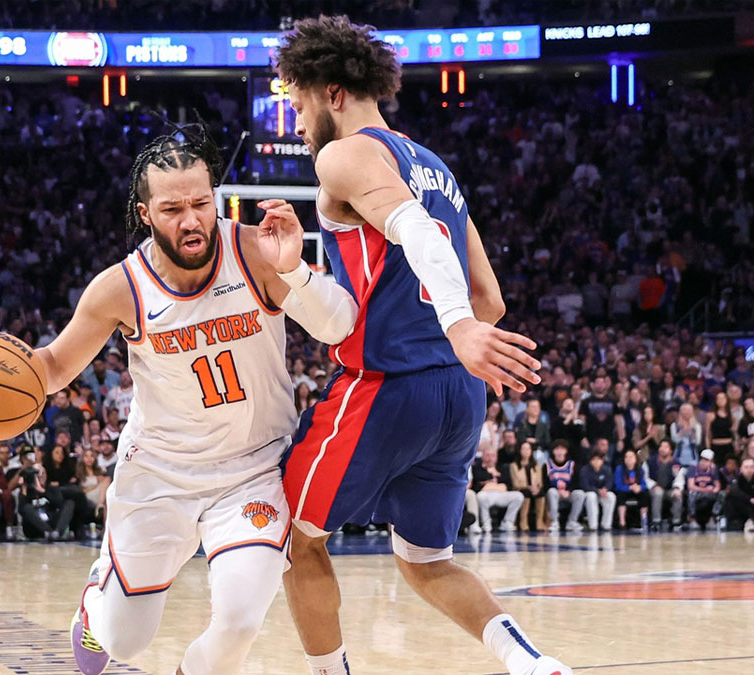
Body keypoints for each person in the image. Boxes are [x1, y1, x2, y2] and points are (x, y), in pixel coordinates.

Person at [0, 120, 359, 675]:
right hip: (160, 475)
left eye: (201, 203)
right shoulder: (121, 287)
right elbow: (54, 365)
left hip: (253, 472)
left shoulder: (255, 250)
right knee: (125, 640)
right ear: (145, 214)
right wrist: (10, 362)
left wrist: (296, 271)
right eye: (172, 209)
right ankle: (96, 607)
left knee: (238, 624)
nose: (191, 220)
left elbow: (339, 328)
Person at [276, 17, 563, 675]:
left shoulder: (342, 155)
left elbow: (420, 239)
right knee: (426, 560)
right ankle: (530, 661)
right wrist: (459, 328)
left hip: (388, 383)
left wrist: (455, 325)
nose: (296, 123)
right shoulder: (436, 166)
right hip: (458, 395)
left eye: (297, 105)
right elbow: (490, 295)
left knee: (292, 537)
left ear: (333, 92)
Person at [471, 447, 523, 533]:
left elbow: (507, 485)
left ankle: (507, 522)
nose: (490, 458)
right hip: (486, 495)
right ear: (483, 457)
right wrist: (494, 481)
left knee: (518, 496)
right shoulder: (477, 468)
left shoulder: (502, 468)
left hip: (501, 495)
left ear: (497, 457)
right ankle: (486, 523)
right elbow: (478, 482)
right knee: (480, 496)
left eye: (493, 455)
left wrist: (489, 483)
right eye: (487, 455)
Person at [544, 441, 584, 533]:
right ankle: (554, 521)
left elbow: (576, 482)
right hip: (555, 493)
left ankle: (572, 521)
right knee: (551, 491)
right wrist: (558, 490)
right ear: (553, 451)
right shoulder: (547, 465)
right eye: (557, 449)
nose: (560, 452)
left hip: (568, 493)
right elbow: (545, 483)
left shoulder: (572, 465)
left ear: (566, 451)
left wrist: (568, 491)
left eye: (562, 449)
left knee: (580, 494)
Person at [646, 440, 684, 531]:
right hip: (654, 489)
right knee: (658, 492)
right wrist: (654, 485)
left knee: (678, 495)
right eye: (661, 446)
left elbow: (679, 479)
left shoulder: (676, 464)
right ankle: (656, 522)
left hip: (669, 489)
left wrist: (677, 488)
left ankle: (676, 522)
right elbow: (645, 478)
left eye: (665, 447)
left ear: (670, 450)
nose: (662, 449)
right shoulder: (650, 462)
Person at [508, 441, 546, 531]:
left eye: (528, 449)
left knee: (541, 493)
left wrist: (536, 488)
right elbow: (515, 483)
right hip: (520, 489)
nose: (526, 451)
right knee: (526, 493)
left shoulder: (537, 466)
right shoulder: (514, 465)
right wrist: (528, 487)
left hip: (534, 488)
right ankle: (523, 521)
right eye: (523, 449)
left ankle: (539, 521)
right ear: (520, 450)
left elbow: (540, 482)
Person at [725, 457, 754, 532]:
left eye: (751, 467)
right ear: (741, 469)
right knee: (732, 498)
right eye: (746, 467)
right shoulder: (737, 481)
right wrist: (750, 500)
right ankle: (751, 520)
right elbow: (734, 491)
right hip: (741, 513)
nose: (749, 470)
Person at [578, 451, 616, 531]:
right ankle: (593, 525)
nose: (596, 462)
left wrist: (605, 489)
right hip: (591, 493)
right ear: (590, 461)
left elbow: (610, 482)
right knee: (591, 496)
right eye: (594, 459)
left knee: (611, 496)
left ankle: (606, 524)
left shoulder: (607, 469)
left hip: (603, 493)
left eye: (598, 459)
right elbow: (585, 485)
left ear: (602, 460)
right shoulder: (585, 470)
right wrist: (597, 490)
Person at [686, 449, 723, 530]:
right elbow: (690, 486)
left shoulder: (713, 469)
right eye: (702, 459)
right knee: (691, 493)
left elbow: (718, 485)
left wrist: (714, 489)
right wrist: (705, 489)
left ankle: (712, 519)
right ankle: (692, 519)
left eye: (706, 460)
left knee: (721, 494)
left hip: (709, 493)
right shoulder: (693, 468)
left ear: (711, 461)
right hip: (698, 492)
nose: (703, 462)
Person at [613, 449, 649, 531]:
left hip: (636, 490)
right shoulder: (619, 469)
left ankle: (644, 521)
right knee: (621, 495)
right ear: (624, 459)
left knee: (645, 494)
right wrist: (629, 487)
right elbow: (617, 485)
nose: (629, 459)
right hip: (624, 490)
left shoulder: (640, 470)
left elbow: (644, 485)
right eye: (627, 457)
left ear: (635, 459)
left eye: (631, 457)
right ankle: (622, 522)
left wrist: (639, 487)